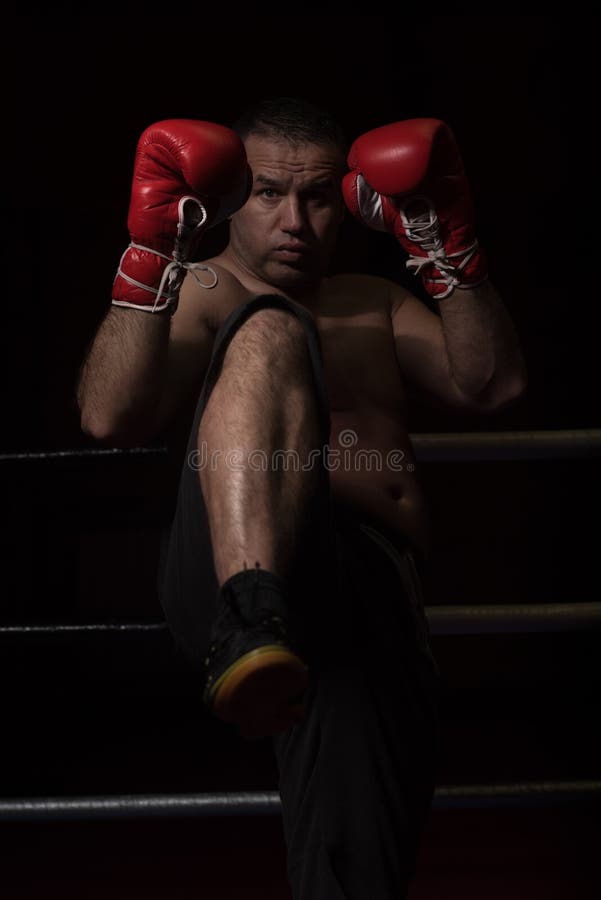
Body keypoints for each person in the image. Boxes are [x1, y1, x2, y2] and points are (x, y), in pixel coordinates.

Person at [76, 97, 527, 899]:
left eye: (317, 197)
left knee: (358, 864)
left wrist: (445, 248)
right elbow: (109, 416)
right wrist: (152, 256)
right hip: (228, 576)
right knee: (271, 326)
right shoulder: (207, 286)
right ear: (225, 200)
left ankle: (267, 629)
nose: (294, 220)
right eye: (267, 194)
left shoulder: (373, 300)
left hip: (364, 585)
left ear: (348, 202)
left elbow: (490, 385)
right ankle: (251, 611)